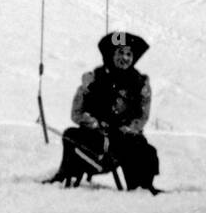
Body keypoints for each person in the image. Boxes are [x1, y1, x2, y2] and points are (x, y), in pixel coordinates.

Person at [47, 31, 160, 193]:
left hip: (124, 138)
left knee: (143, 150)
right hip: (96, 137)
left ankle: (141, 189)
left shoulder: (140, 83)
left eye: (129, 54)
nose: (125, 58)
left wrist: (131, 128)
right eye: (120, 53)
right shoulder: (94, 80)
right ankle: (66, 175)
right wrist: (91, 122)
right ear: (110, 55)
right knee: (71, 135)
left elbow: (143, 115)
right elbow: (76, 112)